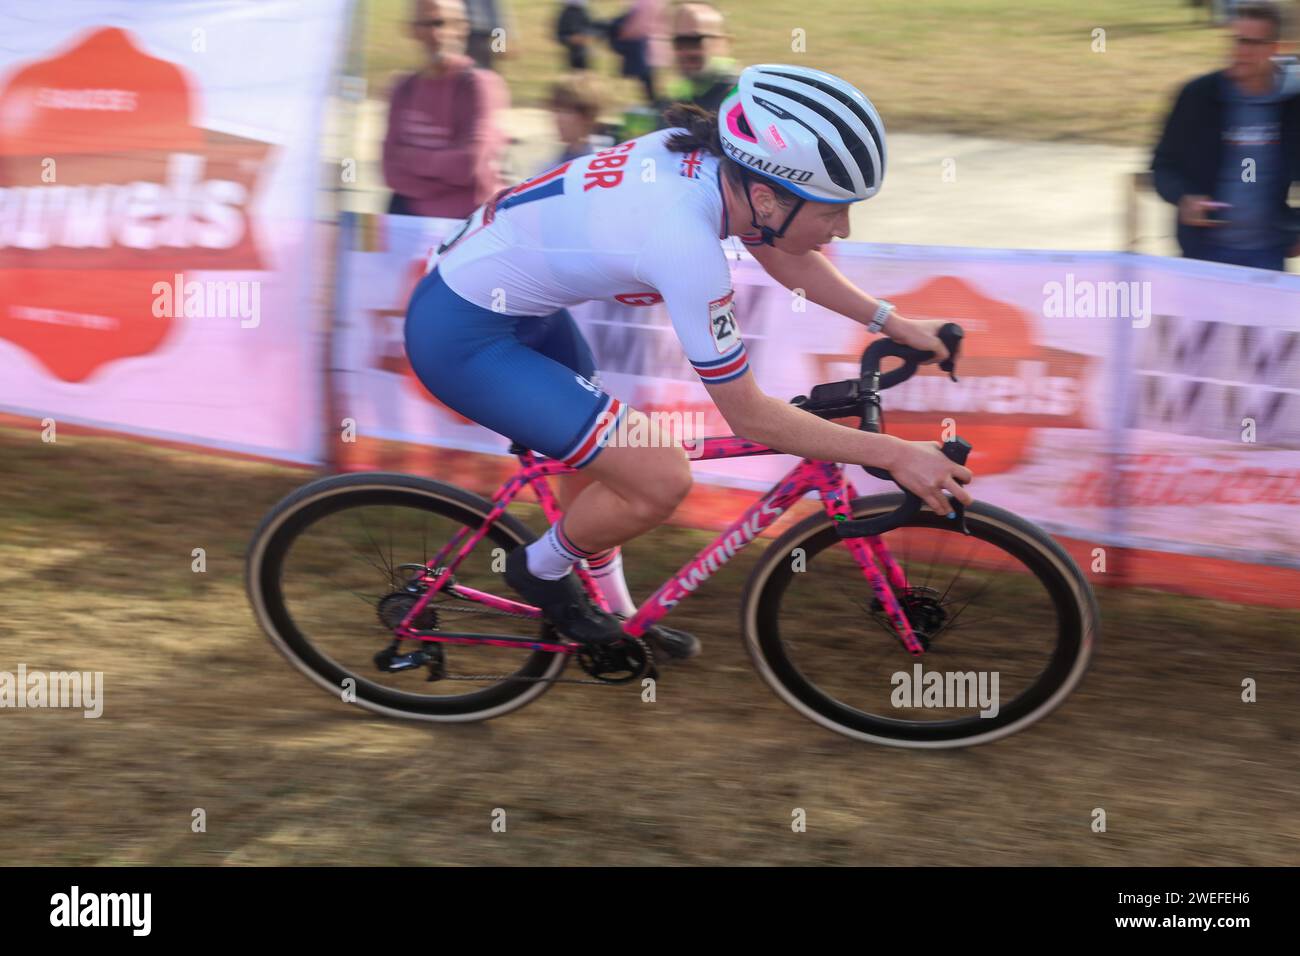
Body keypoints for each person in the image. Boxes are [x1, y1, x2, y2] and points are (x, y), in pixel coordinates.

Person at [404, 64, 974, 660]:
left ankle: (618, 620)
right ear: (764, 194)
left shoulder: (722, 174)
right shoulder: (684, 241)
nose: (845, 228)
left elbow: (786, 248)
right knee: (659, 476)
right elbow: (750, 415)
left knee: (606, 478)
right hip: (465, 337)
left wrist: (891, 321)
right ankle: (539, 571)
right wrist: (897, 455)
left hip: (511, 305)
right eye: (833, 210)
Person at [1151, 1, 1300, 270]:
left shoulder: (1292, 103)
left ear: (1274, 49)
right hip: (1204, 255)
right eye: (1236, 40)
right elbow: (1162, 165)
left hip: (1268, 257)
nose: (1239, 51)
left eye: (1251, 43)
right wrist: (1184, 198)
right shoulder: (1197, 96)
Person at [382, 0, 509, 218]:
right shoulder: (402, 89)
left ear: (462, 28)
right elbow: (390, 168)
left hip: (465, 227)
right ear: (413, 30)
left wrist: (412, 160)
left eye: (442, 23)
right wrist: (444, 167)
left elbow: (468, 165)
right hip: (410, 223)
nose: (436, 34)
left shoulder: (479, 86)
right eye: (427, 24)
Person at [538, 73, 608, 174]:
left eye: (566, 111)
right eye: (556, 110)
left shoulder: (601, 167)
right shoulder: (549, 168)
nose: (557, 118)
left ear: (587, 117)